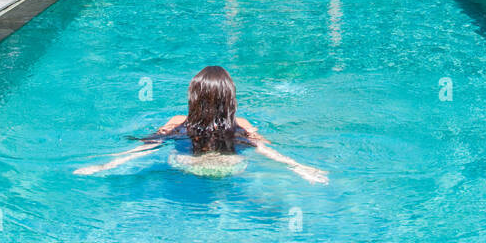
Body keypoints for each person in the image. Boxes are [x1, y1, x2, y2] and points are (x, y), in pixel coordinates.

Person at [75, 66, 328, 184]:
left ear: (193, 98)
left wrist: (105, 164)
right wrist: (299, 167)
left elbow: (147, 146)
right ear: (230, 97)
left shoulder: (177, 122)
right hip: (231, 167)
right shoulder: (240, 124)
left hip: (186, 165)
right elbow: (265, 150)